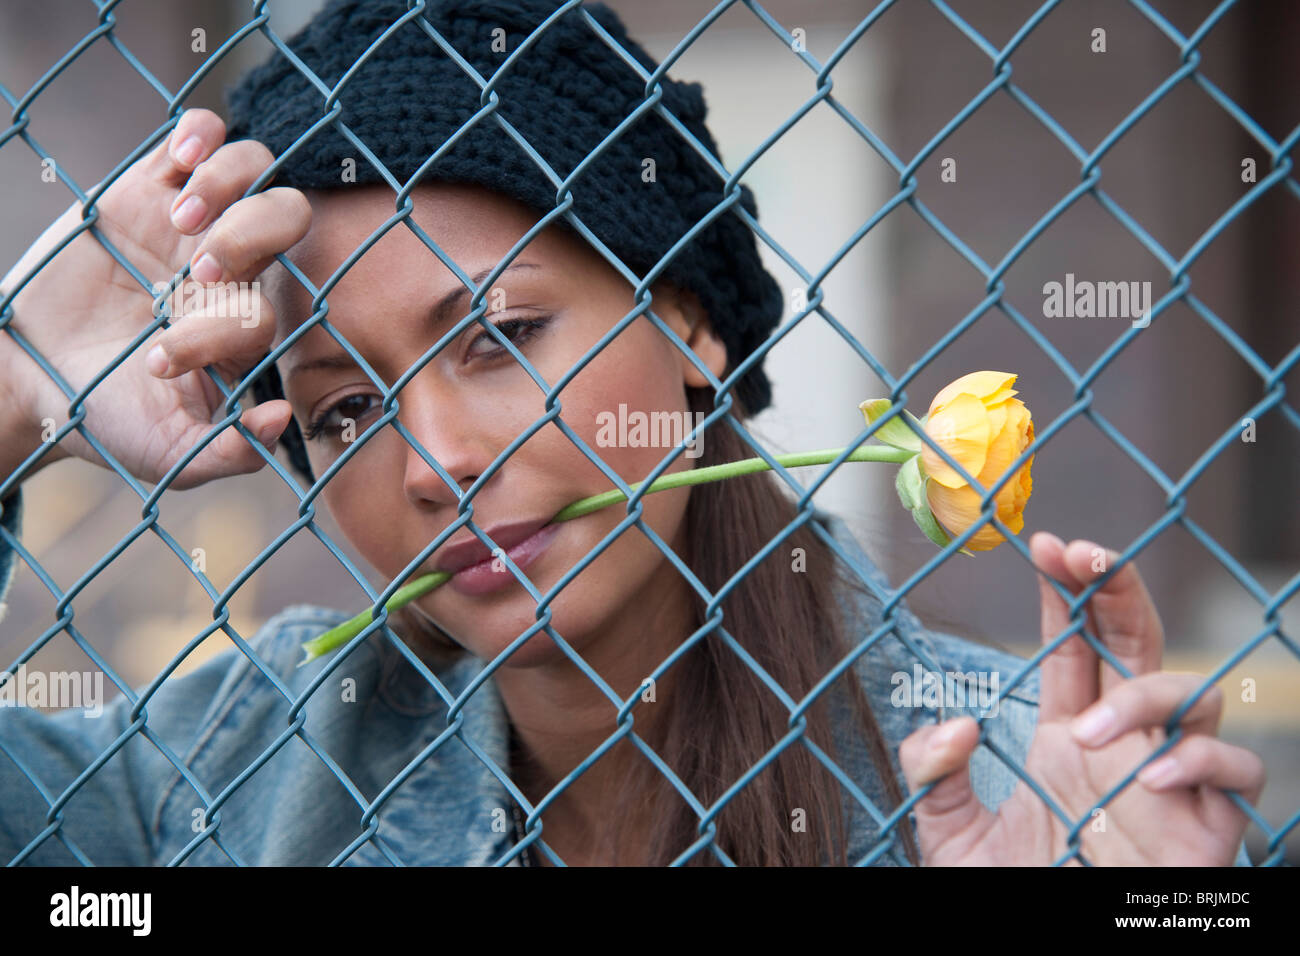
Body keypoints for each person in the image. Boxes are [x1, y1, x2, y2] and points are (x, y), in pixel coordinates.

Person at [0, 0, 1262, 866]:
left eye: (498, 335)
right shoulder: (236, 769)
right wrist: (13, 394)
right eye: (345, 407)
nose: (436, 458)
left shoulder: (1014, 774)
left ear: (692, 326)